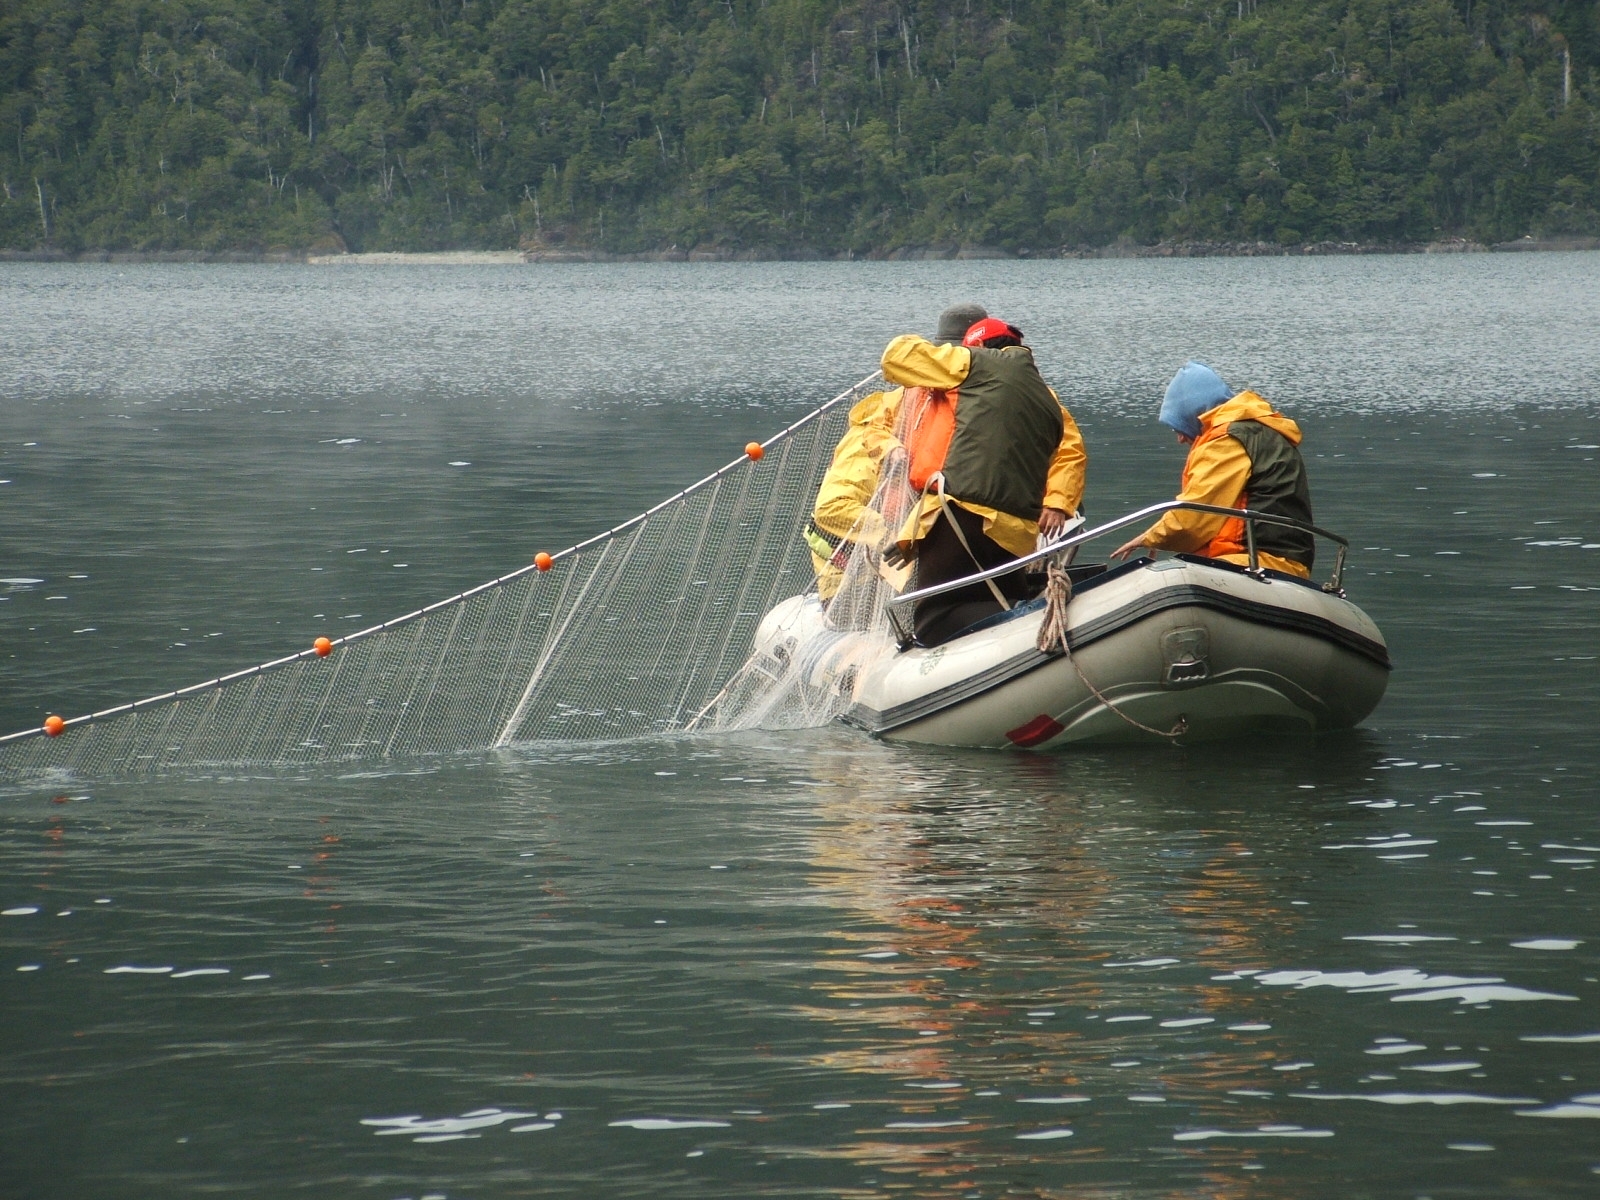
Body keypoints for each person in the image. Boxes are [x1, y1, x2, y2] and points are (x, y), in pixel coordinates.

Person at [880, 317, 1087, 645]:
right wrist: (1058, 502)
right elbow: (1071, 452)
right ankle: (1035, 627)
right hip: (1017, 534)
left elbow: (896, 357)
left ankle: (1033, 613)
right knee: (994, 602)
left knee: (936, 620)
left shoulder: (971, 364)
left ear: (974, 347)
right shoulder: (1045, 395)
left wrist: (942, 355)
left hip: (960, 518)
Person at [804, 304, 988, 603]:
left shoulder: (969, 418)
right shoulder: (874, 428)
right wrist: (897, 538)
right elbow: (832, 507)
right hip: (854, 587)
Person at [1111, 361, 1314, 578]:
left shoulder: (1227, 440)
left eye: (1180, 426)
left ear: (1195, 412)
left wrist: (1150, 537)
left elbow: (1195, 517)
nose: (1180, 438)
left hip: (1255, 560)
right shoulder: (1259, 431)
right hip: (1282, 561)